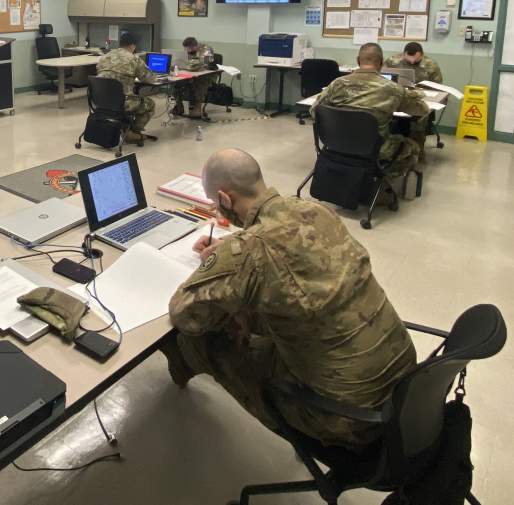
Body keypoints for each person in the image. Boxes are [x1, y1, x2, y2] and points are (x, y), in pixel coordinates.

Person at [162, 149, 417, 449]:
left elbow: (185, 313)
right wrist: (232, 257)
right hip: (401, 386)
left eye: (218, 206)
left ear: (226, 199)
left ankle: (182, 364)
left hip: (343, 416)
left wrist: (226, 266)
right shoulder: (317, 212)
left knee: (200, 339)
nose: (220, 214)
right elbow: (290, 264)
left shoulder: (250, 249)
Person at [312, 43, 429, 179]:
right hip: (375, 149)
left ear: (357, 60)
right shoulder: (393, 89)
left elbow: (315, 111)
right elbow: (422, 110)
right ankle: (382, 183)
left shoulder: (337, 84)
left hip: (336, 143)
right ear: (382, 62)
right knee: (413, 147)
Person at [95, 31, 157, 144]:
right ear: (133, 46)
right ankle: (132, 133)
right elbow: (150, 79)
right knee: (150, 104)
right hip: (123, 102)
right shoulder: (134, 59)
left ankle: (125, 128)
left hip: (101, 100)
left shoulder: (105, 57)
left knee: (130, 100)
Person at [172, 36, 216, 120]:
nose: (187, 52)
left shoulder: (207, 50)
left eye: (188, 50)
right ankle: (179, 105)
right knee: (175, 82)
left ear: (195, 47)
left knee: (200, 81)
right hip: (190, 74)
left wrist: (187, 66)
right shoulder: (190, 51)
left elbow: (201, 64)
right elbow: (188, 64)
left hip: (206, 76)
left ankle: (198, 108)